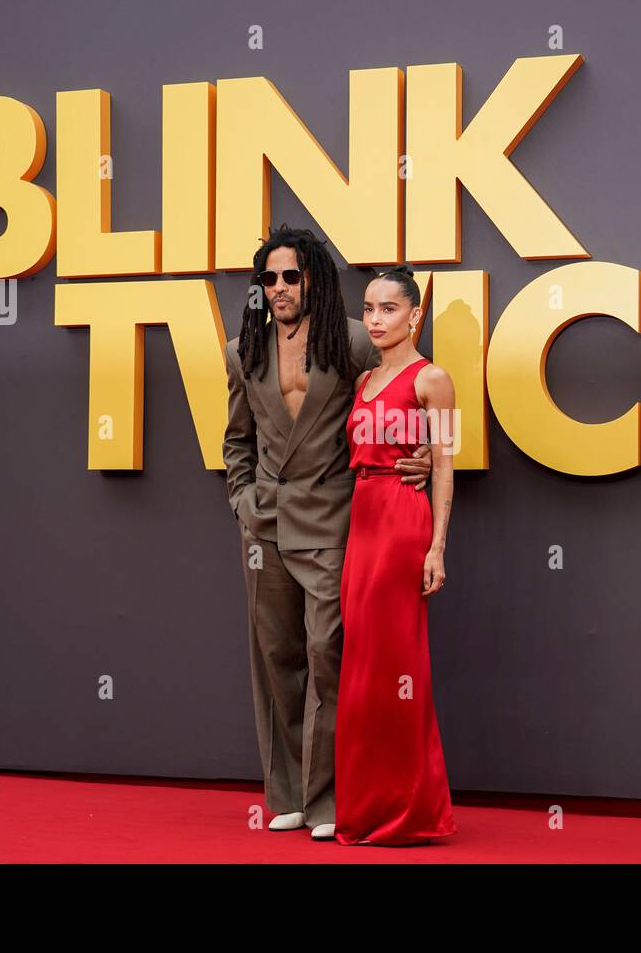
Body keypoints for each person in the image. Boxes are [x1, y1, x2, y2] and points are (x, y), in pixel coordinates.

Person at [222, 226, 432, 841]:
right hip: (264, 527)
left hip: (334, 523)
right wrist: (242, 500)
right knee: (276, 659)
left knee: (327, 656)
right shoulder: (243, 351)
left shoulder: (354, 342)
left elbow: (413, 384)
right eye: (270, 278)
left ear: (312, 277)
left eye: (292, 275)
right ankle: (285, 794)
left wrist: (427, 452)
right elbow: (237, 439)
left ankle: (327, 799)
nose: (280, 287)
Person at [334, 265, 459, 846]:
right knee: (360, 668)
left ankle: (409, 811)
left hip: (403, 524)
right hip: (362, 519)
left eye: (389, 309)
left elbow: (444, 462)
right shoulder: (361, 382)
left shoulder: (433, 378)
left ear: (415, 315)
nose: (377, 319)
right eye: (370, 308)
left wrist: (436, 546)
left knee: (396, 667)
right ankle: (362, 809)